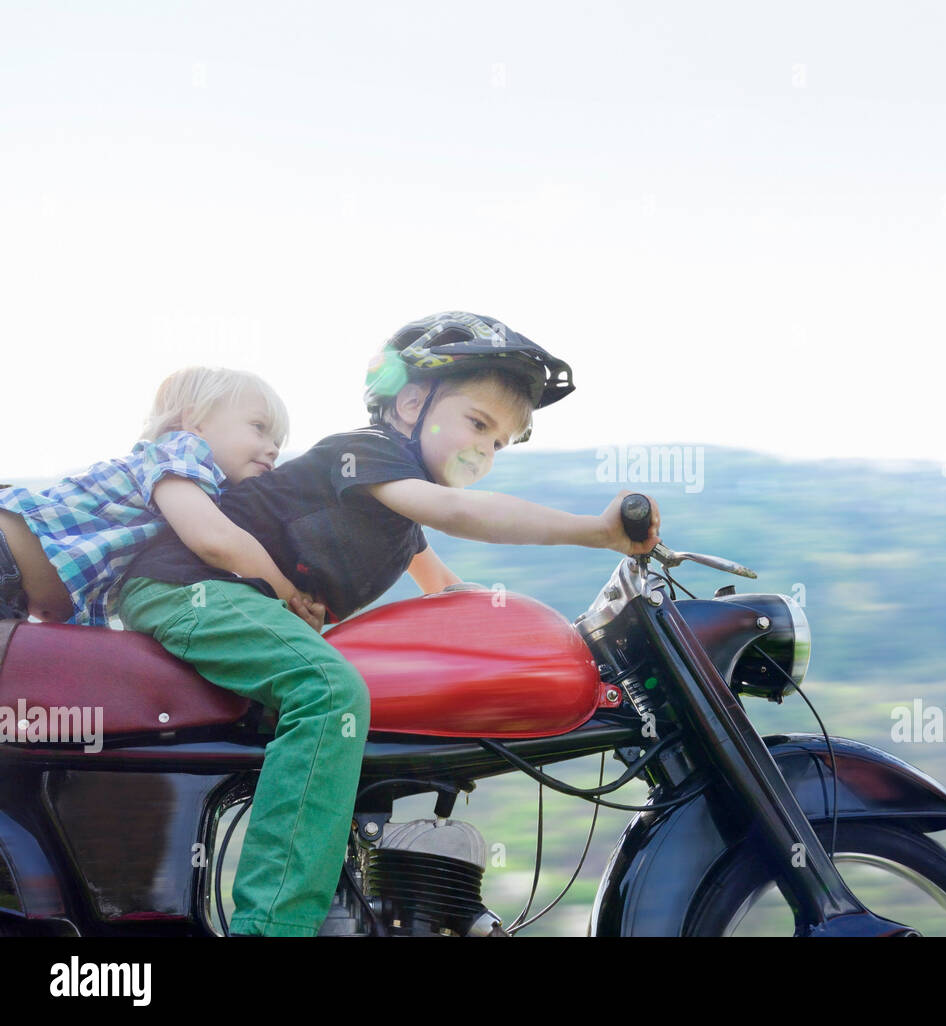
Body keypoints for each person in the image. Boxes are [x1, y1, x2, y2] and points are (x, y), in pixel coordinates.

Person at [117, 311, 660, 936]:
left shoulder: (400, 516)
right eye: (477, 424)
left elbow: (440, 581)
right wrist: (597, 533)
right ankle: (273, 926)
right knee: (328, 692)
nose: (483, 450)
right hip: (187, 587)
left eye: (500, 444)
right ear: (409, 405)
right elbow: (459, 510)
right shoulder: (366, 456)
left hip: (223, 603)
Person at [0, 366, 318, 627]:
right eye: (259, 427)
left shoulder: (196, 488)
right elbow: (215, 540)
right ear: (195, 422)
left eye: (277, 439)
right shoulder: (183, 449)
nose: (274, 447)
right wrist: (292, 598)